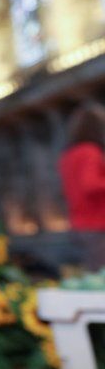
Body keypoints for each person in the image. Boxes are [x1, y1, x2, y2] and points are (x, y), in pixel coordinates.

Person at [59, 101, 105, 268]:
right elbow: (91, 185)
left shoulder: (68, 155)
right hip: (97, 224)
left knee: (95, 276)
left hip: (80, 223)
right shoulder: (90, 152)